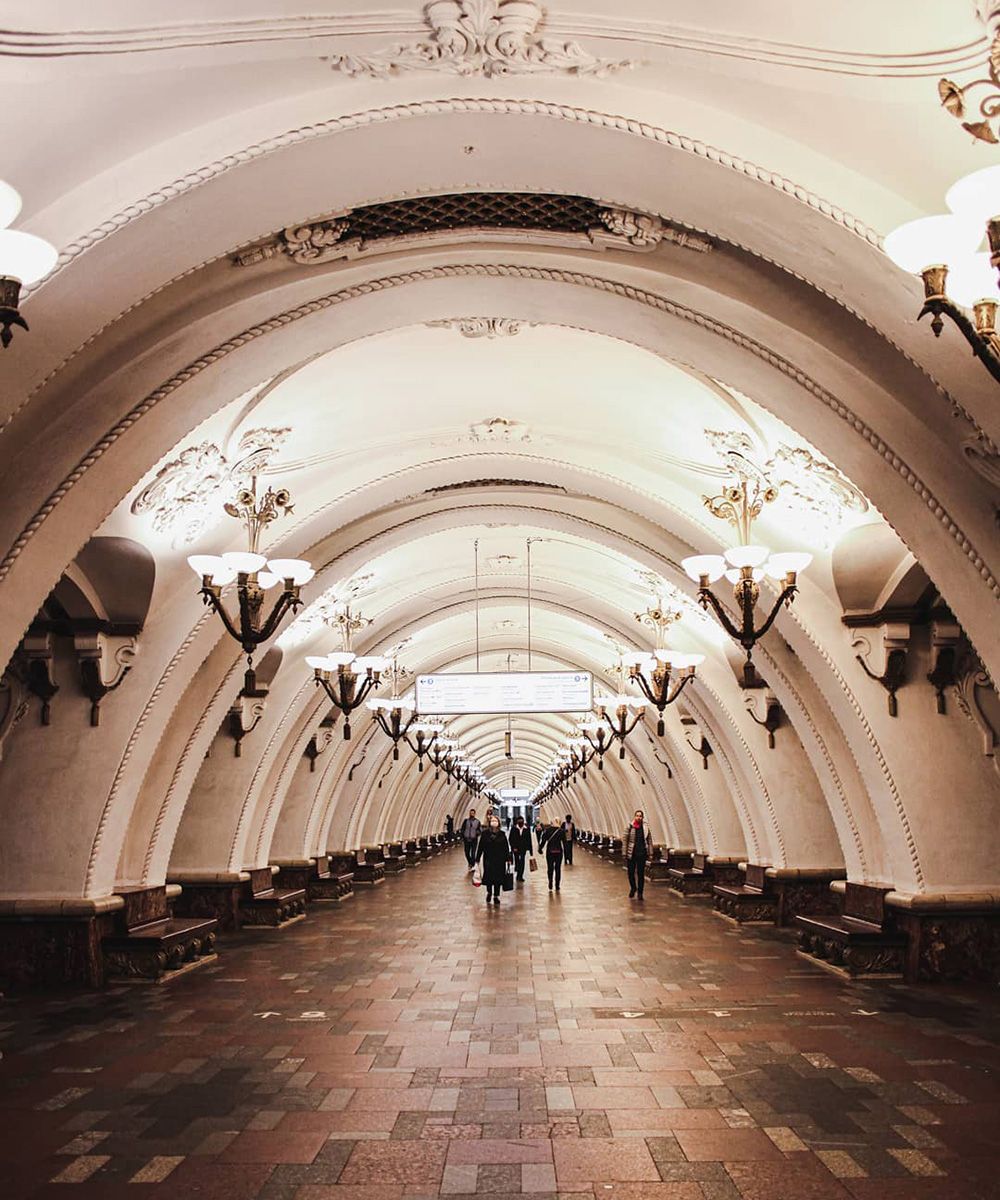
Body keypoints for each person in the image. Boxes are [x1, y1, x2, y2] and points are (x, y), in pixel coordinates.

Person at [476, 815, 512, 904]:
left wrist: (508, 858)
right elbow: (480, 846)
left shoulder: (502, 834)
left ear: (498, 823)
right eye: (492, 820)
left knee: (498, 879)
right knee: (489, 877)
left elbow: (506, 847)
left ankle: (496, 895)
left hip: (500, 860)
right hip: (488, 859)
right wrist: (477, 858)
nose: (494, 822)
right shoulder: (485, 834)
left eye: (495, 821)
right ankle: (489, 892)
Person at [624, 809, 653, 899]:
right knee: (630, 873)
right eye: (637, 816)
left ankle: (640, 893)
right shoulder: (629, 827)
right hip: (631, 854)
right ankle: (633, 888)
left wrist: (650, 853)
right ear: (634, 817)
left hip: (642, 854)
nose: (638, 817)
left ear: (642, 817)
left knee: (641, 874)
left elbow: (649, 841)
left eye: (640, 816)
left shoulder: (645, 828)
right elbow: (625, 840)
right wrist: (624, 853)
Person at [537, 815, 564, 892]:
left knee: (550, 867)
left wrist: (540, 848)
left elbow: (543, 841)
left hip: (550, 851)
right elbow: (564, 842)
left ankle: (550, 881)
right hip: (559, 851)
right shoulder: (561, 831)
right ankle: (557, 885)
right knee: (558, 868)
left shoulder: (547, 830)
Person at [508, 815, 534, 882]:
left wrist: (531, 851)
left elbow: (529, 840)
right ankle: (518, 873)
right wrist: (513, 847)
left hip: (523, 849)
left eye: (521, 821)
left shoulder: (526, 829)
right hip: (516, 849)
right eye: (519, 821)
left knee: (522, 861)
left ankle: (520, 875)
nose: (520, 823)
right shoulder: (513, 829)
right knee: (517, 861)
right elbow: (510, 839)